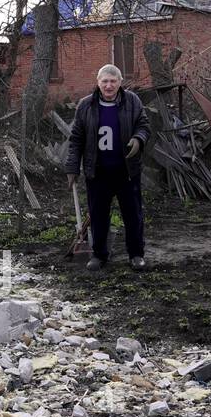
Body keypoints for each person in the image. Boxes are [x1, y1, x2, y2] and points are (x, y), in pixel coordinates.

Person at [64, 64, 151, 271]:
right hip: (98, 172)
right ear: (98, 82)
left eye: (113, 81)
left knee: (133, 215)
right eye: (105, 81)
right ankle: (99, 255)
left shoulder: (132, 101)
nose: (109, 85)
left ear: (120, 82)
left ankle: (136, 254)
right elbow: (76, 139)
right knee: (98, 215)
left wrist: (138, 139)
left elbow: (144, 125)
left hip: (127, 171)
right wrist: (72, 167)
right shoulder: (86, 105)